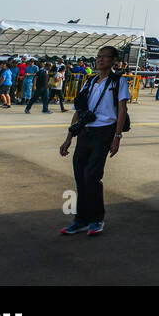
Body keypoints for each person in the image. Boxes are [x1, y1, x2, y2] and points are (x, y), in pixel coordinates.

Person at [59, 46, 130, 236]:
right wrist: (69, 137)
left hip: (104, 133)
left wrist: (117, 137)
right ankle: (80, 220)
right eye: (98, 57)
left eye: (104, 57)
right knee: (80, 176)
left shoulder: (118, 82)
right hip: (85, 132)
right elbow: (79, 111)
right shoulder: (89, 82)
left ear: (113, 60)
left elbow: (121, 110)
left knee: (92, 176)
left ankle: (96, 219)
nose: (100, 60)